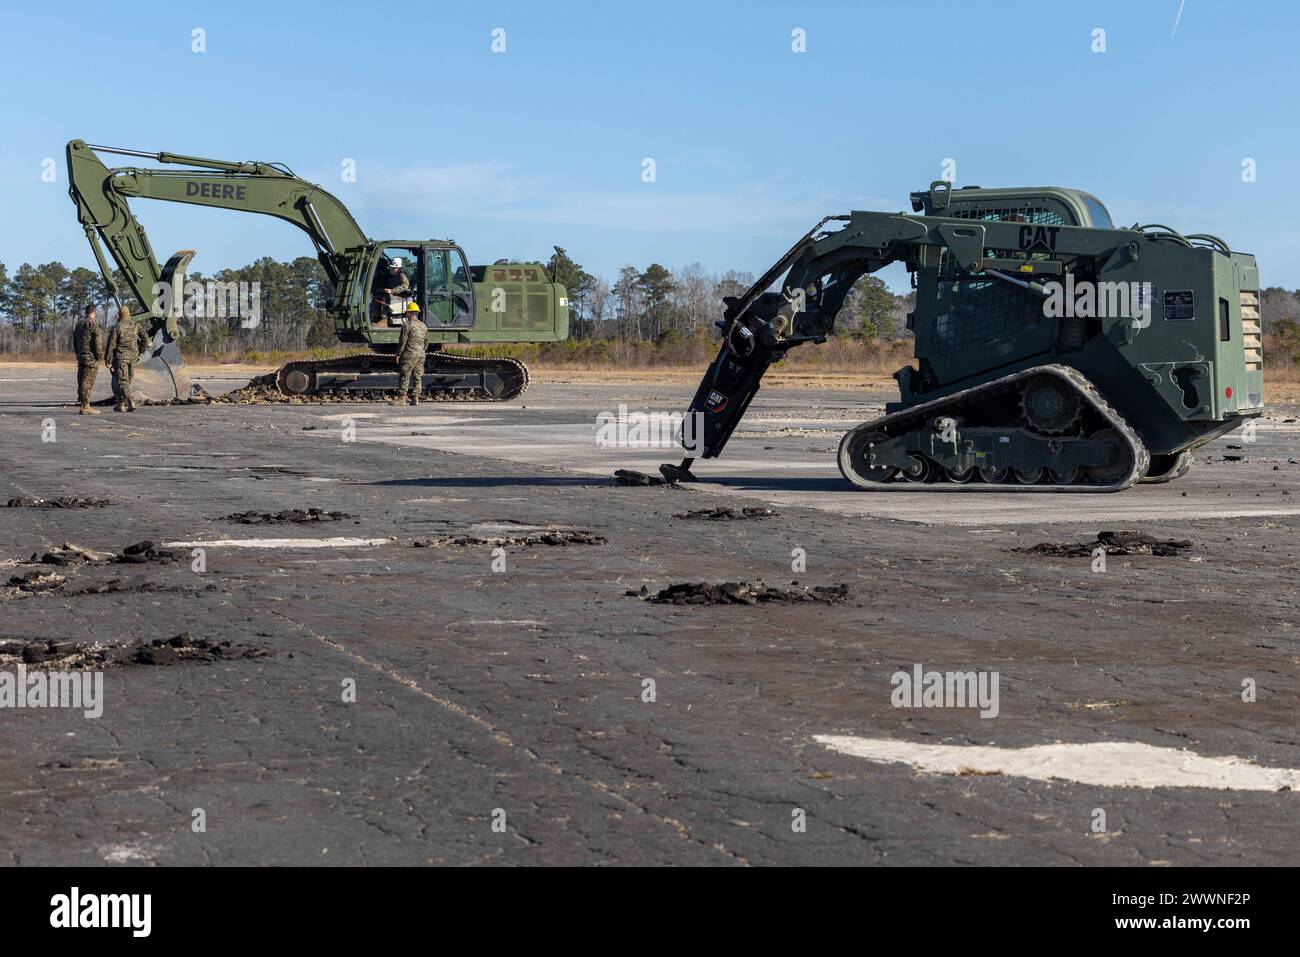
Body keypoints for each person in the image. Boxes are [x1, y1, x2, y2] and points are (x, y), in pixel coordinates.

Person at [103, 305, 150, 412]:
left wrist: (107, 358)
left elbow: (111, 344)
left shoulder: (117, 327)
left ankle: (130, 401)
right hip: (133, 357)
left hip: (121, 357)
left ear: (119, 315)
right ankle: (121, 404)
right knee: (127, 381)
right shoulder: (136, 325)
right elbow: (145, 338)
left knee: (122, 381)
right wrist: (141, 351)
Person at [72, 303, 106, 414]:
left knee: (81, 379)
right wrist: (99, 356)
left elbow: (75, 341)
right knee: (87, 381)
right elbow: (98, 342)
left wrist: (78, 354)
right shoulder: (94, 324)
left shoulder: (79, 324)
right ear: (93, 312)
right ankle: (86, 406)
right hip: (91, 358)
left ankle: (83, 403)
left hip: (81, 356)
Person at [393, 301, 428, 406]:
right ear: (416, 313)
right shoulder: (424, 326)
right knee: (417, 376)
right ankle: (415, 398)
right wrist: (421, 351)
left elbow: (403, 341)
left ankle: (401, 398)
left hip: (409, 353)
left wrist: (398, 354)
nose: (406, 314)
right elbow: (426, 343)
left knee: (405, 375)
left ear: (409, 313)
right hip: (421, 354)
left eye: (407, 312)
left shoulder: (407, 325)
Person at [372, 257, 411, 325]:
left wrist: (392, 291)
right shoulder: (392, 276)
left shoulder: (401, 276)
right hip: (393, 294)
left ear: (399, 268)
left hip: (400, 296)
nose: (393, 269)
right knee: (378, 297)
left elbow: (405, 285)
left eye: (395, 268)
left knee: (387, 298)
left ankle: (384, 319)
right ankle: (376, 318)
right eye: (392, 267)